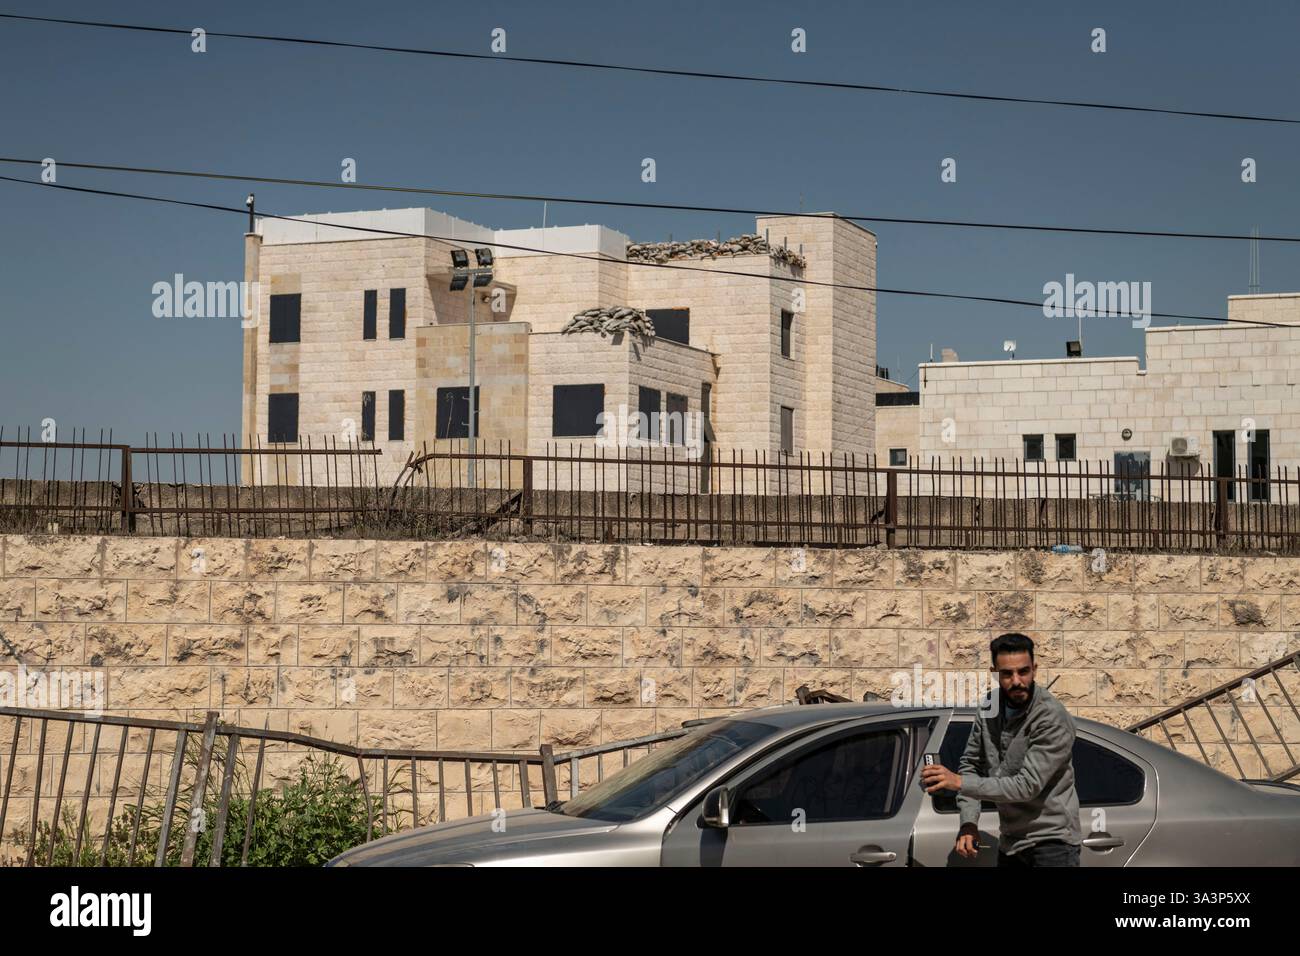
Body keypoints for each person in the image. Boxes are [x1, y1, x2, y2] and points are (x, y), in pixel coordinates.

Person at [919, 632, 1083, 867]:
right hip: (1011, 843)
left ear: (1034, 669)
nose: (1016, 681)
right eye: (1007, 674)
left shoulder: (1051, 716)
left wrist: (958, 782)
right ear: (994, 673)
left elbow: (1027, 786)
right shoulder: (989, 706)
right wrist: (968, 822)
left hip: (1052, 844)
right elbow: (971, 764)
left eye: (1023, 671)